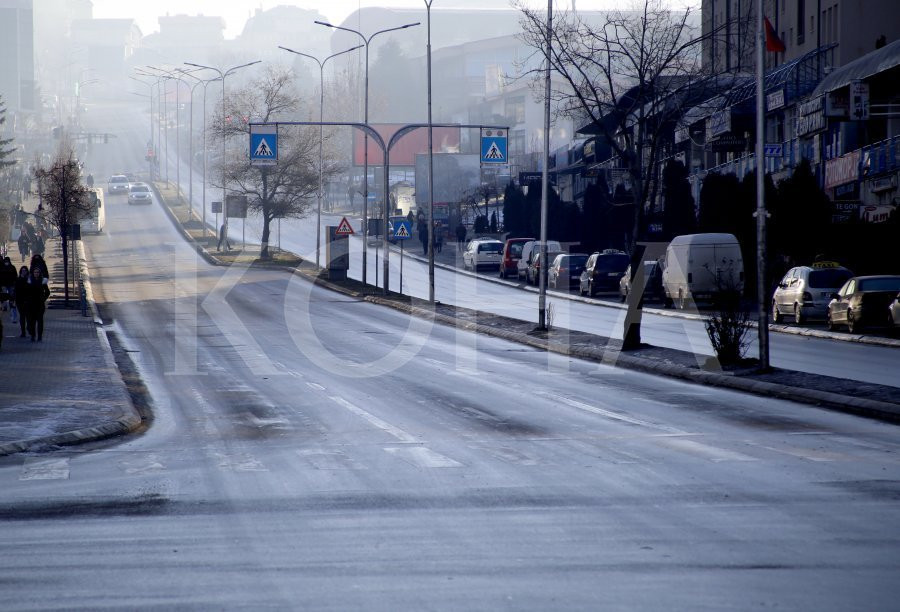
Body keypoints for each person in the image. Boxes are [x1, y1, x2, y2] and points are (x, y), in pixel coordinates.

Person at [24, 267, 50, 342]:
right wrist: (27, 300)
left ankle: (39, 336)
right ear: (33, 273)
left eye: (37, 272)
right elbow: (26, 292)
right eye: (35, 272)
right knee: (31, 321)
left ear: (39, 273)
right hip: (31, 304)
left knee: (40, 321)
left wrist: (43, 299)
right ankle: (33, 335)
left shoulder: (42, 281)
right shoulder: (29, 281)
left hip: (40, 304)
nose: (36, 274)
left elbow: (47, 292)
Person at [14, 266, 29, 338]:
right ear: (20, 271)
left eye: (25, 270)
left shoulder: (29, 280)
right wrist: (14, 300)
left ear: (27, 271)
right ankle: (23, 332)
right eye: (22, 270)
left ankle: (29, 328)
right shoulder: (18, 280)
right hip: (19, 301)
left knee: (28, 316)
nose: (23, 272)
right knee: (22, 316)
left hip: (28, 301)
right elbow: (16, 291)